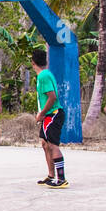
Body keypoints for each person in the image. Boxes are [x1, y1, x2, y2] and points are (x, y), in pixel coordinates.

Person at [33, 48, 68, 189]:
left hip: (53, 114)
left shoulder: (43, 76)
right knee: (45, 144)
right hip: (49, 114)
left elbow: (52, 97)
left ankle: (61, 178)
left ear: (33, 62)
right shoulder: (46, 74)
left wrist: (42, 113)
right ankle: (51, 175)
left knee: (53, 145)